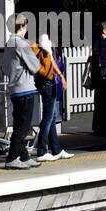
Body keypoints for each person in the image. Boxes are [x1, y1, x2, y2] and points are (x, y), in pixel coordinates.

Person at [2, 14, 42, 170]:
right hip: (25, 87)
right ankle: (12, 158)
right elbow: (35, 66)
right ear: (21, 27)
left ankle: (24, 156)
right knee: (23, 127)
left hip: (14, 88)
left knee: (20, 123)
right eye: (25, 26)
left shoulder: (8, 43)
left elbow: (4, 68)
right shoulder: (21, 44)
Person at [34, 34, 72, 162]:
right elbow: (50, 60)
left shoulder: (40, 42)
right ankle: (41, 150)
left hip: (46, 83)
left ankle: (56, 149)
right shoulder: (44, 38)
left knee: (51, 118)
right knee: (48, 117)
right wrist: (61, 75)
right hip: (48, 83)